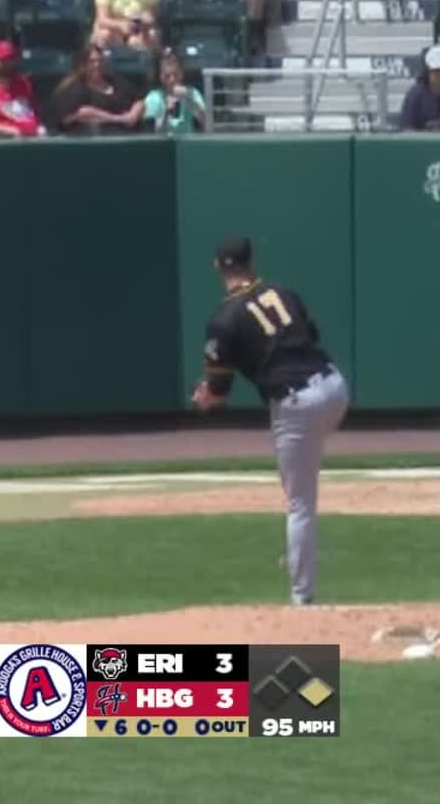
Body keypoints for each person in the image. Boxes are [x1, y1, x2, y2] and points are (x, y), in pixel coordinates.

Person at [191, 237, 351, 607]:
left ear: (217, 267)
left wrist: (202, 398)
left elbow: (217, 392)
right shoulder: (284, 293)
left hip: (297, 402)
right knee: (301, 487)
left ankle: (302, 597)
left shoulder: (223, 320)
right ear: (251, 261)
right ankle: (298, 553)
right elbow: (308, 338)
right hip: (335, 388)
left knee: (300, 504)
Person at [48, 44, 145, 135]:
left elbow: (139, 101)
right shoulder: (74, 88)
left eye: (100, 60)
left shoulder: (116, 82)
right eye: (92, 61)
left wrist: (133, 115)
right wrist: (119, 119)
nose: (97, 65)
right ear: (82, 64)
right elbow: (81, 114)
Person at [143, 49, 207, 134]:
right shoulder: (154, 97)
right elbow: (153, 132)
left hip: (187, 140)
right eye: (167, 76)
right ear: (160, 76)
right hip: (164, 141)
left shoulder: (193, 93)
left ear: (181, 73)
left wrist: (189, 99)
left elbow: (206, 123)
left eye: (175, 75)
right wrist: (166, 112)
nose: (172, 80)